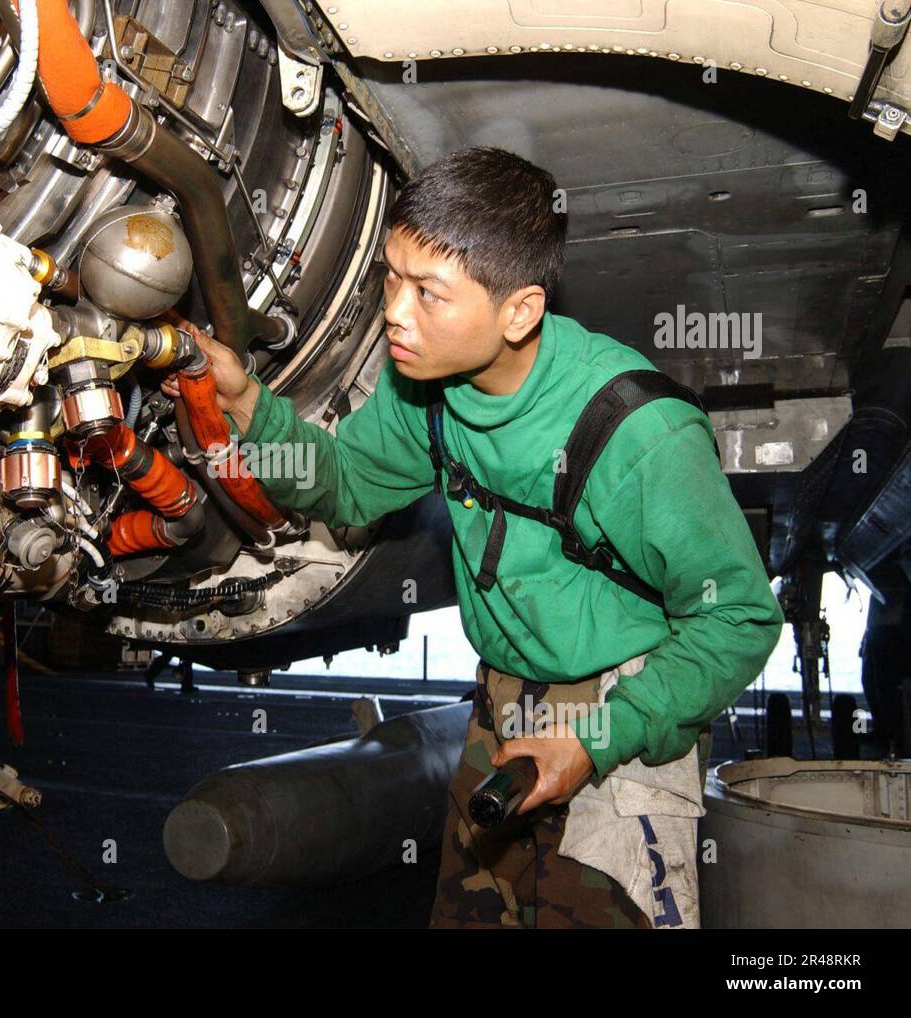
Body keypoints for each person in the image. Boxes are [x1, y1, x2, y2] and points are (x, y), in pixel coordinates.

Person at [160, 145, 783, 928]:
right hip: (497, 711)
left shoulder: (638, 433)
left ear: (519, 311)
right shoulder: (423, 384)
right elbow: (348, 482)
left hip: (620, 715)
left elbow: (739, 618)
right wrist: (247, 401)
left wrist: (598, 737)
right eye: (391, 276)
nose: (395, 311)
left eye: (429, 293)